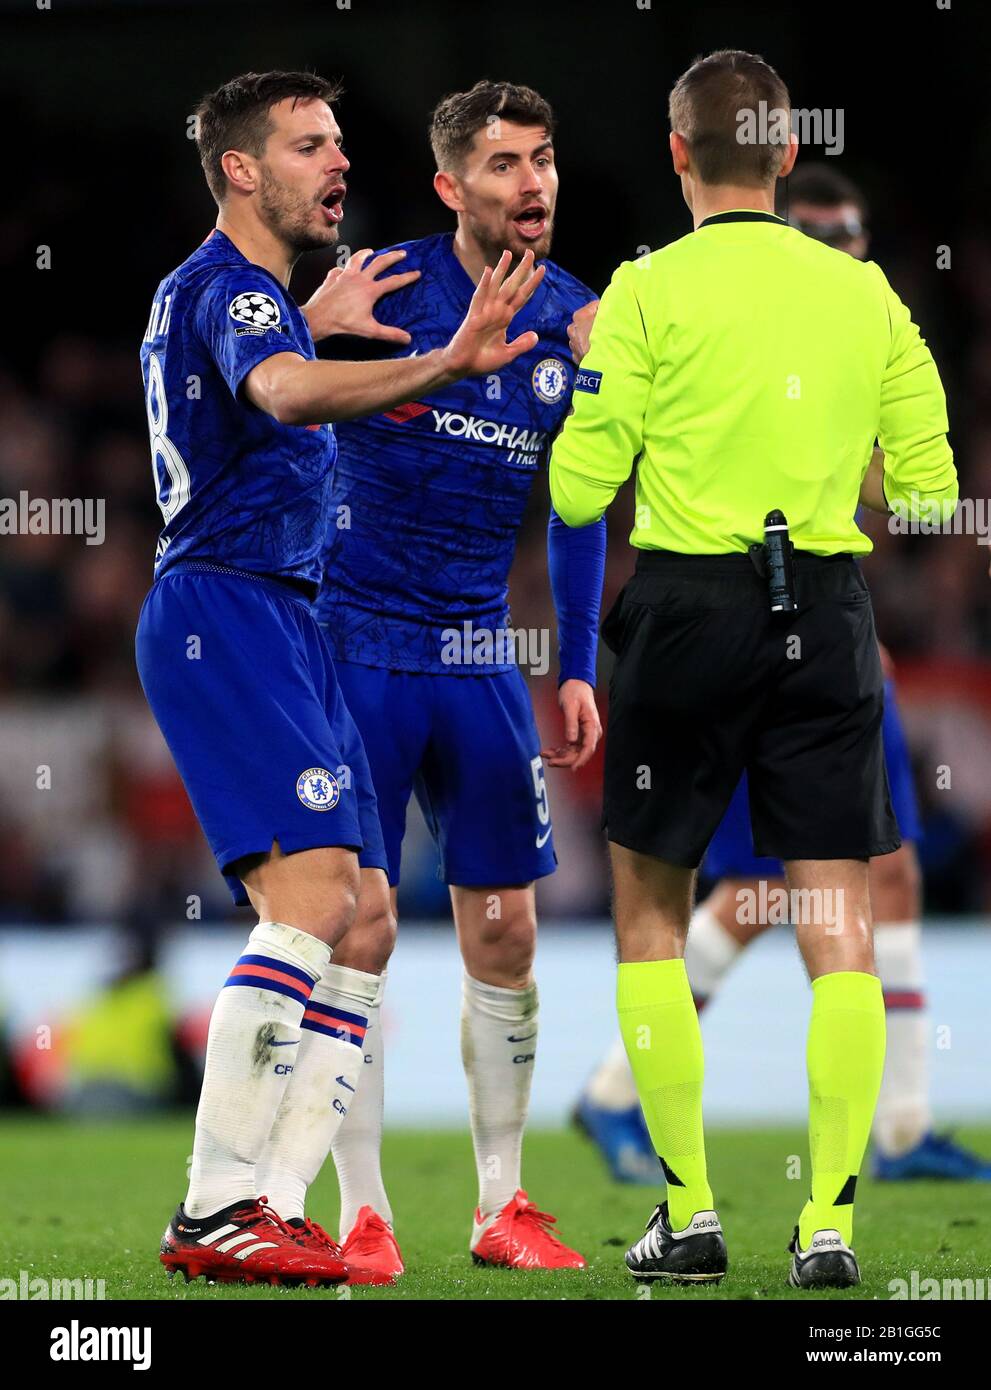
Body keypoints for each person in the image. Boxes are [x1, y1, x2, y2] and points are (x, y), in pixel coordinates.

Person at [549, 50, 957, 1289]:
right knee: (836, 917)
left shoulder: (640, 293)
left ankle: (690, 1213)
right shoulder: (866, 296)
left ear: (678, 155)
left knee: (650, 918)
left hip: (682, 612)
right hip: (824, 612)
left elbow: (576, 485)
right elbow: (932, 496)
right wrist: (825, 465)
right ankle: (827, 1225)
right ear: (786, 156)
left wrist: (598, 369)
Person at [136, 68, 544, 1288]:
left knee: (363, 915)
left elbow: (259, 383)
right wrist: (443, 364)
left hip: (289, 617)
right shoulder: (228, 288)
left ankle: (274, 1202)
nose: (338, 163)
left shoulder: (257, 300)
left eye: (338, 142)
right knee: (311, 902)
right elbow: (281, 393)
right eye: (310, 145)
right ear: (243, 170)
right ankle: (219, 1207)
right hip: (230, 606)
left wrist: (311, 319)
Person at [257, 80, 603, 1276]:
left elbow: (577, 500)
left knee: (505, 929)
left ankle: (500, 1205)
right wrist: (311, 323)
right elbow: (271, 416)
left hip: (477, 652)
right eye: (504, 165)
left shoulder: (576, 320)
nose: (534, 184)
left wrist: (577, 659)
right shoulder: (380, 290)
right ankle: (363, 1212)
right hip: (353, 641)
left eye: (545, 159)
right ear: (453, 187)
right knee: (358, 922)